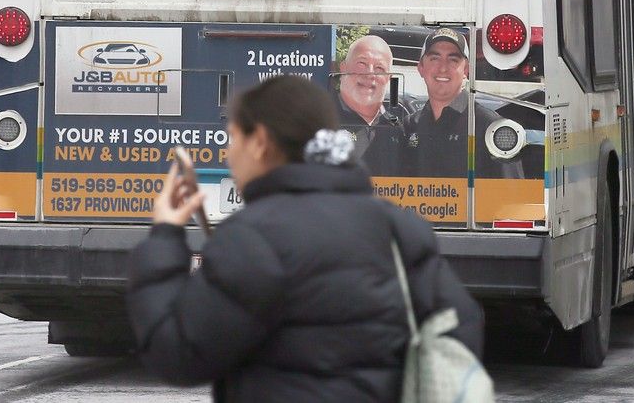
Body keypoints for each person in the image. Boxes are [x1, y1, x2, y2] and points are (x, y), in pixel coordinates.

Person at [127, 76, 483, 403]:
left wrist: (164, 238)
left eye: (235, 138)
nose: (228, 152)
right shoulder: (399, 227)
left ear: (261, 142)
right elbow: (460, 323)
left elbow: (179, 354)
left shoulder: (252, 238)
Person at [405, 28, 524, 179]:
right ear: (421, 68)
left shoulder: (493, 128)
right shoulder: (410, 125)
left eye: (453, 60)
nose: (443, 68)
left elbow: (512, 196)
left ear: (466, 70)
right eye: (435, 58)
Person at [335, 34, 407, 175]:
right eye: (362, 63)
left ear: (388, 78)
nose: (370, 74)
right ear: (343, 68)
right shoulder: (319, 119)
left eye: (379, 68)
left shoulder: (399, 126)